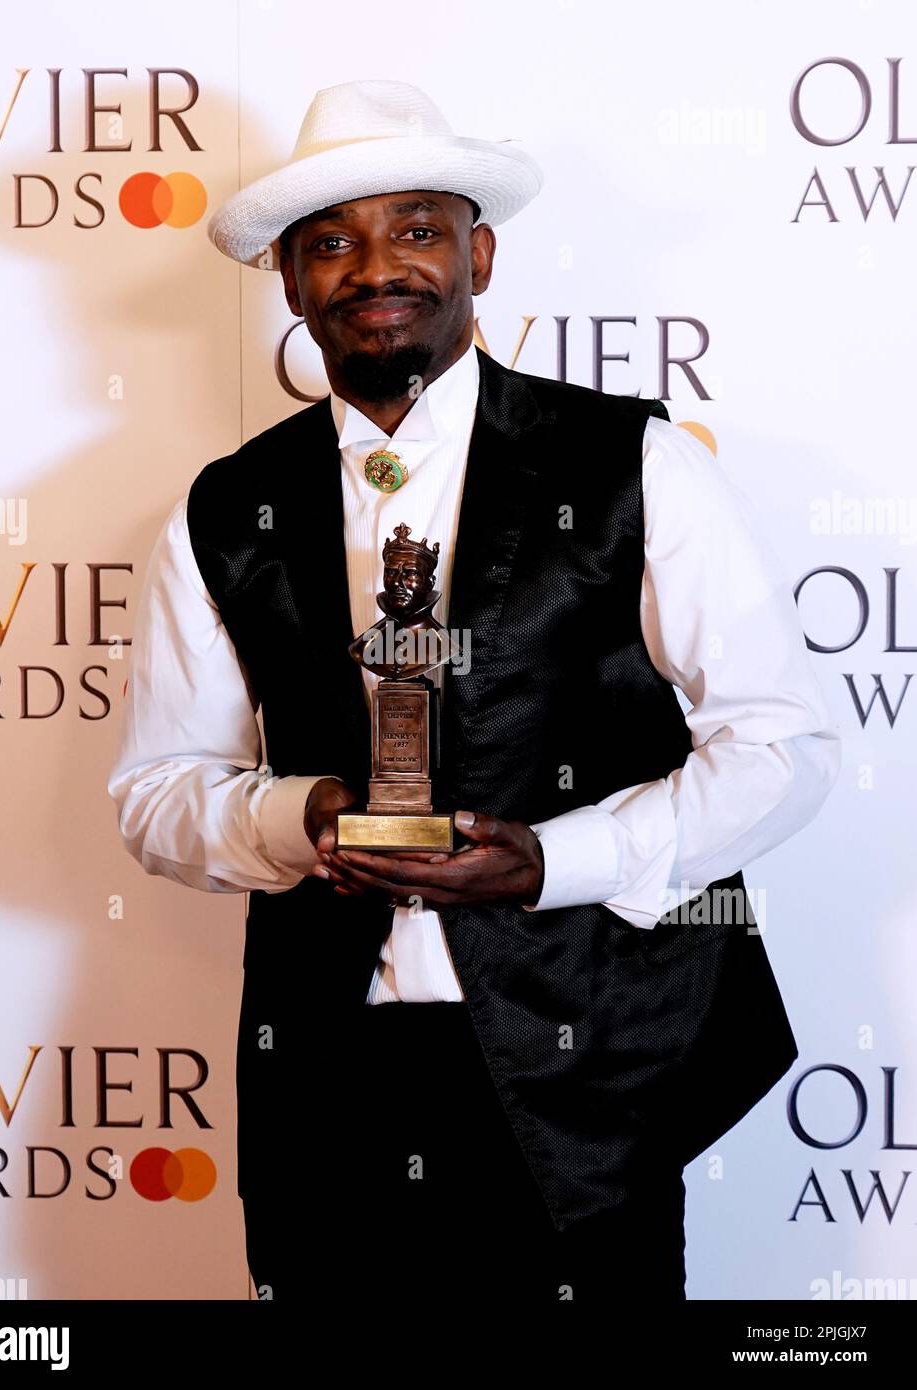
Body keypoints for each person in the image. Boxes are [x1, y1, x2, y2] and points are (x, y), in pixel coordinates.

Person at [108, 79, 841, 1302]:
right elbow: (156, 792)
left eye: (416, 229)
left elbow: (781, 748)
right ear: (290, 282)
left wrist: (558, 857)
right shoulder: (224, 508)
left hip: (582, 1076)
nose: (374, 266)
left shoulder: (633, 462)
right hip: (329, 1083)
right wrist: (303, 819)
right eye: (331, 242)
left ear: (479, 255)